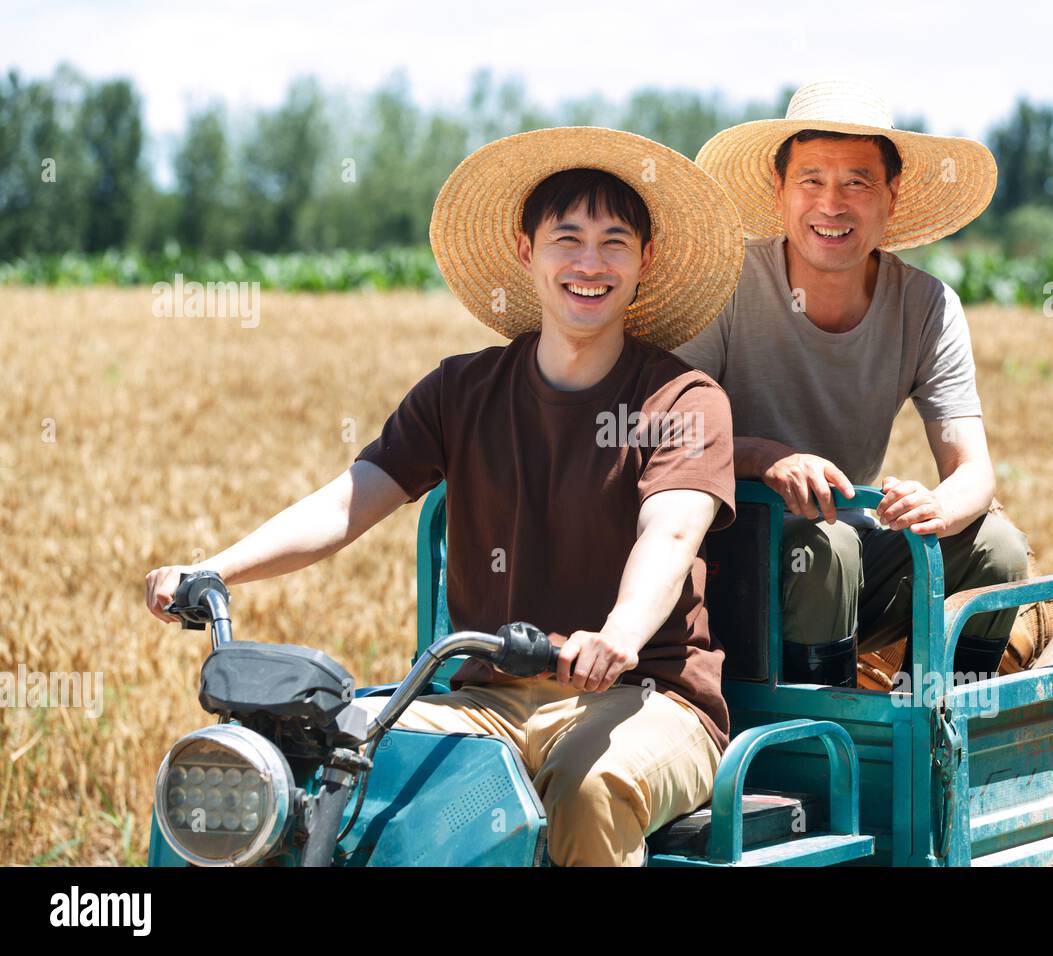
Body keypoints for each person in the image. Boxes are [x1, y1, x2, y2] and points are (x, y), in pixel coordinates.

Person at [145, 126, 746, 866]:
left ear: (644, 262)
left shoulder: (683, 397)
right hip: (486, 699)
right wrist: (214, 569)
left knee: (593, 786)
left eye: (614, 242)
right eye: (568, 238)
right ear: (527, 253)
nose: (590, 264)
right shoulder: (462, 391)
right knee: (335, 749)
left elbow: (672, 533)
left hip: (648, 700)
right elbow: (348, 504)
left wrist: (618, 636)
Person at [676, 79, 1030, 687]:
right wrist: (766, 459)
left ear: (891, 196)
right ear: (779, 190)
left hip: (846, 553)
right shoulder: (725, 287)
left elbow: (973, 468)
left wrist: (938, 508)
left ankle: (934, 729)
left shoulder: (926, 305)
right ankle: (820, 742)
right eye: (811, 180)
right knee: (825, 550)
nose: (831, 205)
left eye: (857, 182)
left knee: (998, 549)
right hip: (722, 564)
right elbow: (667, 437)